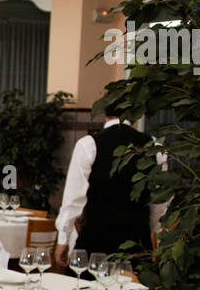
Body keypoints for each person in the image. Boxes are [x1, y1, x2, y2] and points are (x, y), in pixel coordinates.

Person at [53, 110, 153, 270]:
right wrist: (155, 237)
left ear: (104, 111)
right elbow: (159, 203)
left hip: (96, 241)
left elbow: (73, 200)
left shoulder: (89, 144)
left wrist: (63, 240)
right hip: (138, 243)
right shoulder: (154, 146)